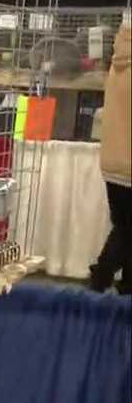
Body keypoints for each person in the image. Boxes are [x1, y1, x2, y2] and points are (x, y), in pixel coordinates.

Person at [91, 19, 132, 295]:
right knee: (128, 230)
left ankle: (127, 285)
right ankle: (101, 274)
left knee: (125, 226)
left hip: (113, 161)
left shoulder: (118, 65)